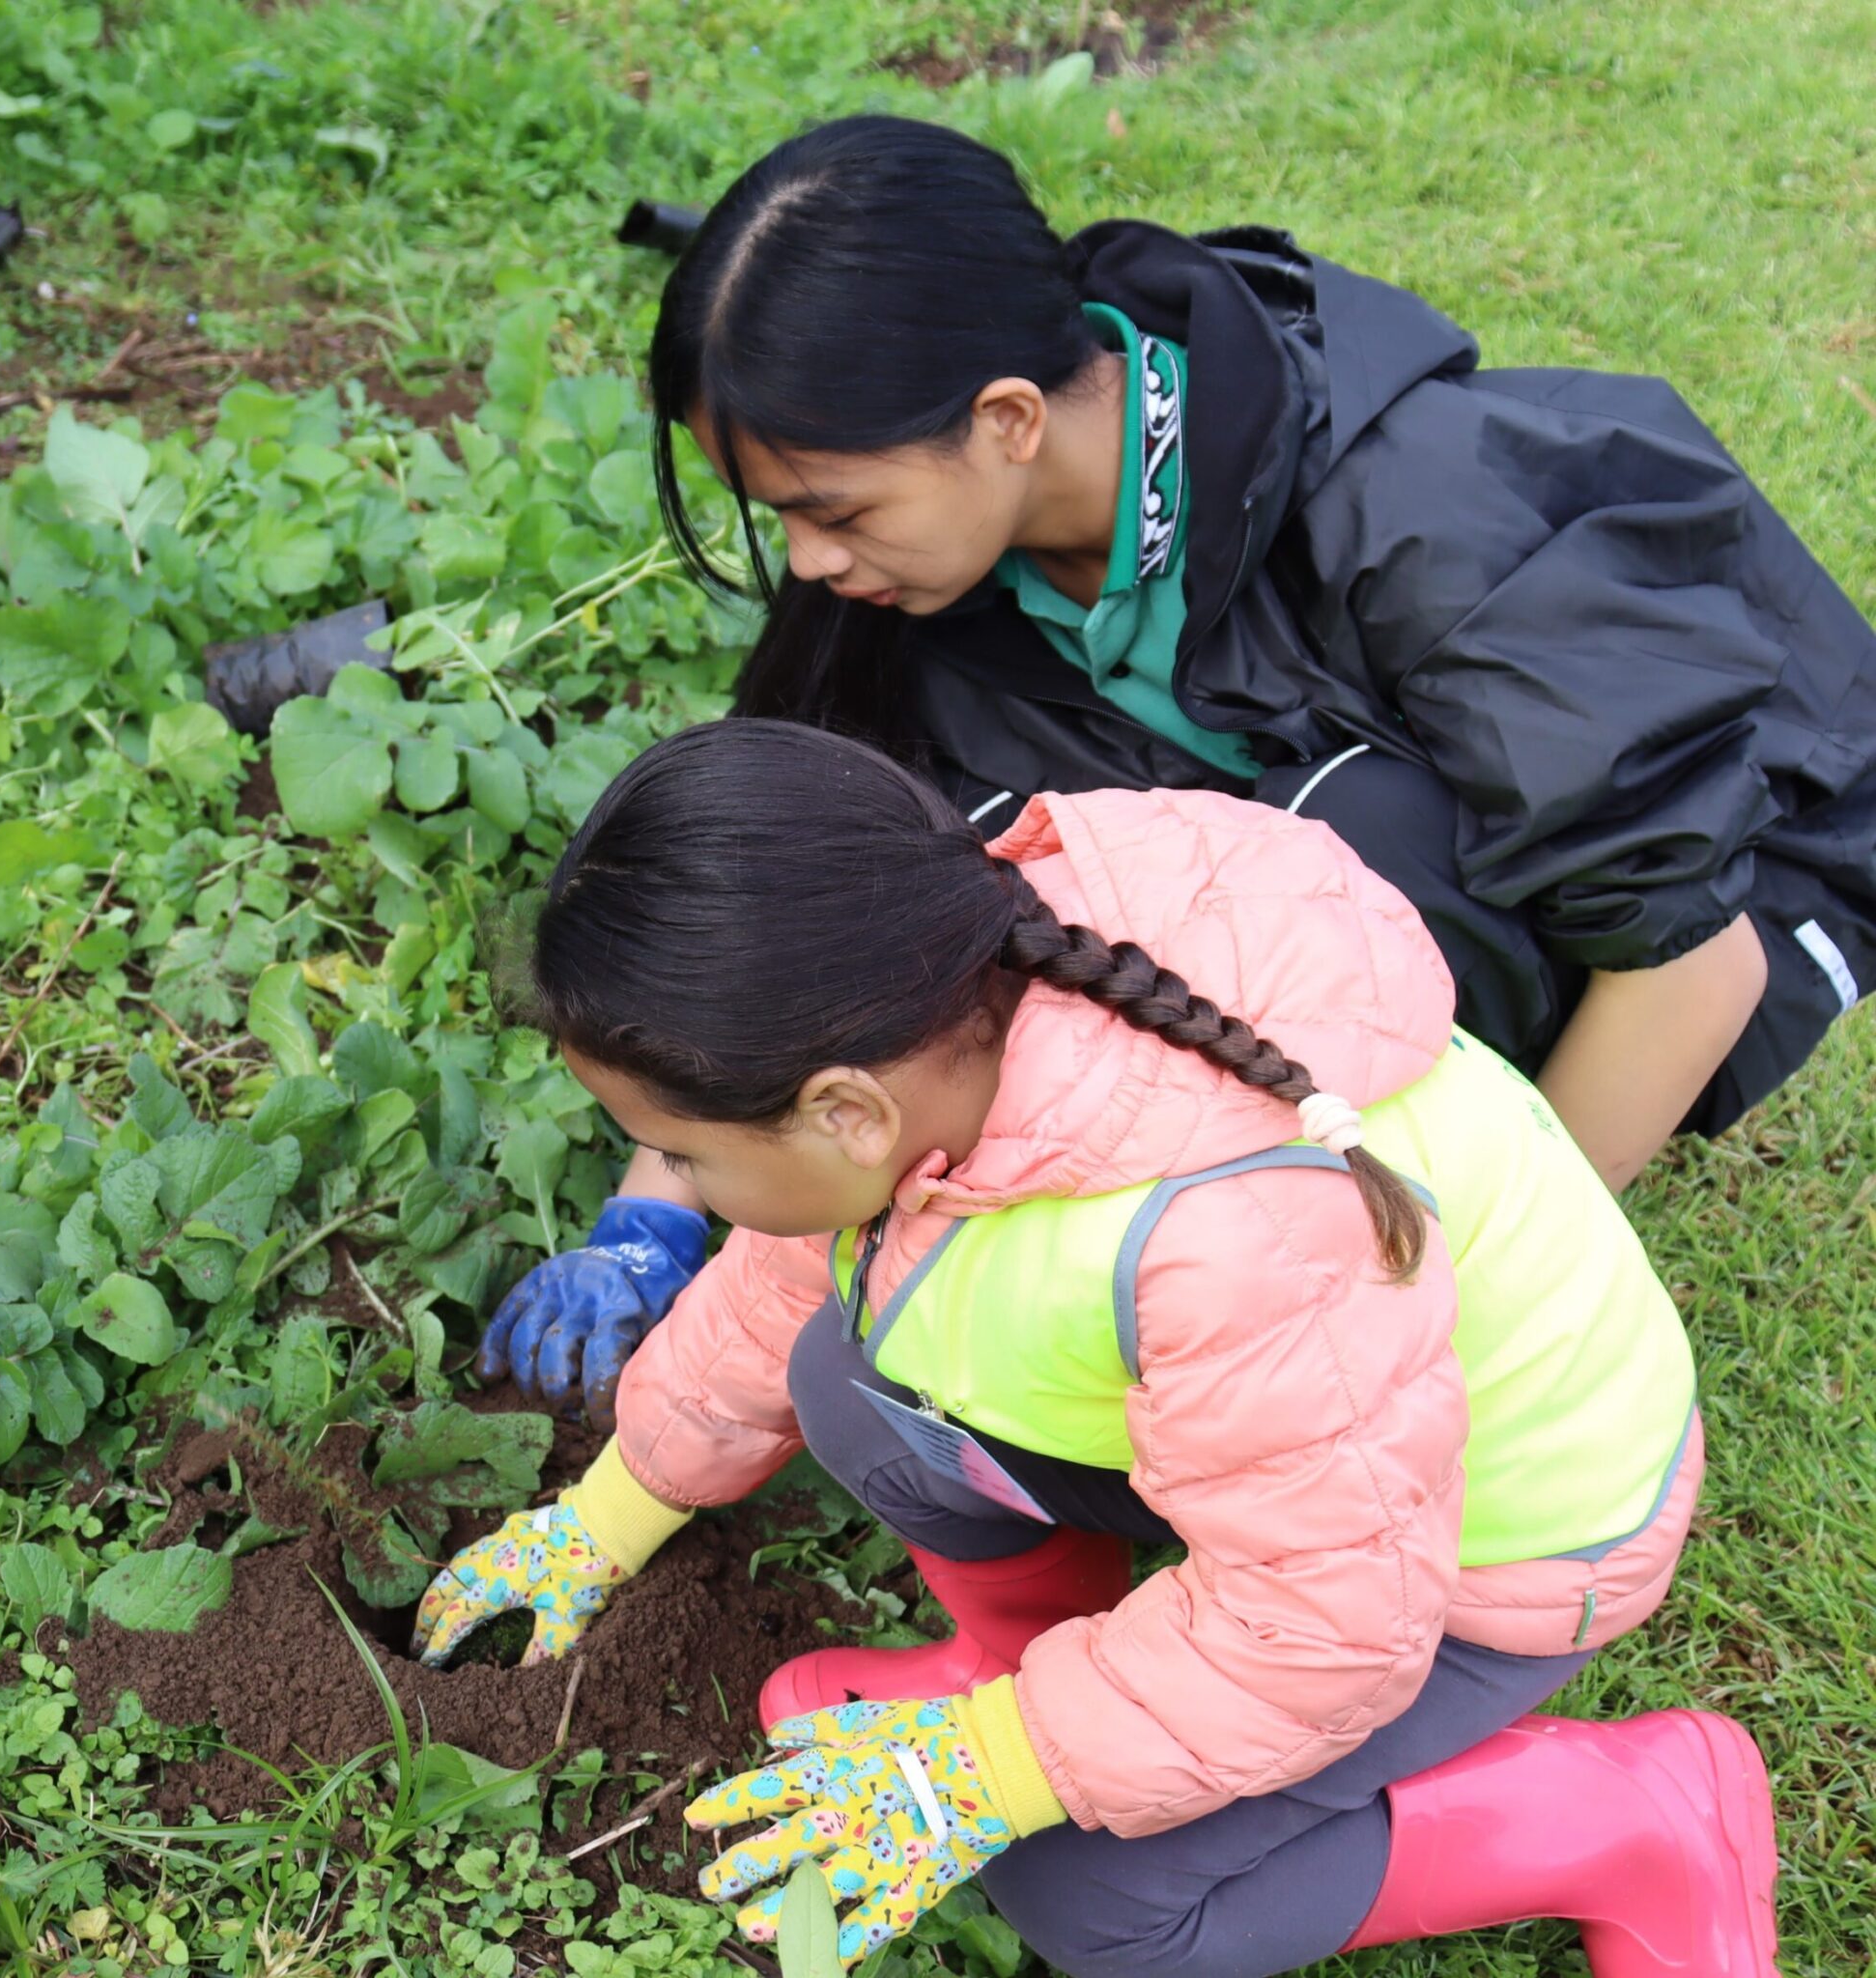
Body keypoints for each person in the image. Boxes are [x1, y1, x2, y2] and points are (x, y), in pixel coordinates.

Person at [482, 111, 1875, 1410]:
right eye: (779, 515)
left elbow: (1690, 962)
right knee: (988, 869)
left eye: (835, 511)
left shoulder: (1419, 515)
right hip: (1362, 871)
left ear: (1009, 420)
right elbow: (805, 894)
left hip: (1710, 892)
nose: (805, 561)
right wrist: (658, 1210)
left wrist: (1470, 1290)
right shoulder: (922, 585)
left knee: (1340, 841)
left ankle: (1392, 1198)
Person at [423, 720, 1779, 1978]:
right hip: (1311, 1457)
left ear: (843, 1112)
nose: (675, 1184)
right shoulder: (940, 1002)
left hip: (1488, 1547)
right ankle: (1044, 1674)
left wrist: (988, 1771)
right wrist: (605, 1517)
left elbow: (1325, 1630)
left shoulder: (1237, 1235)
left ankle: (1632, 1816)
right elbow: (794, 1274)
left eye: (682, 1155)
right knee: (843, 1378)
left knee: (1093, 1898)